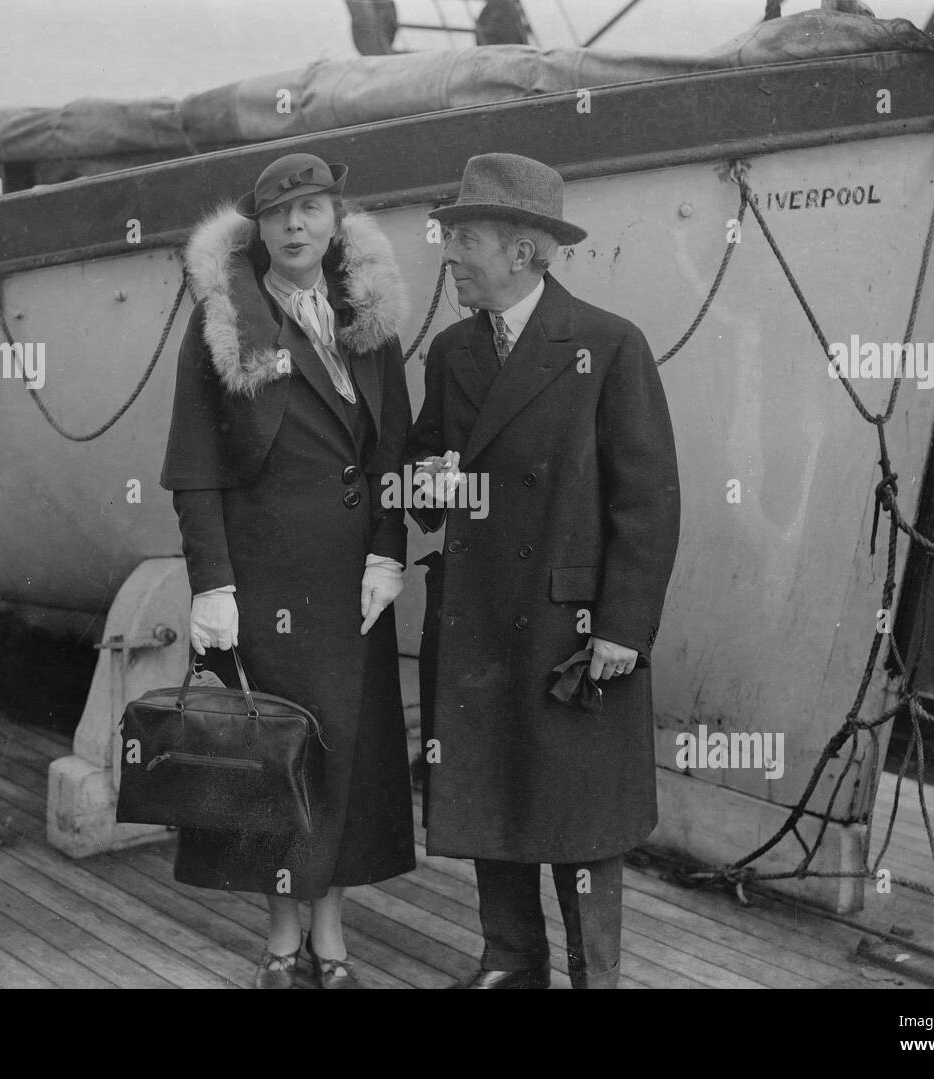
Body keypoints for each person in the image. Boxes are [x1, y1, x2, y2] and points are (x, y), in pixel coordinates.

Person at [407, 153, 680, 989]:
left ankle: (594, 976)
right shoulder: (452, 352)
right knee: (491, 788)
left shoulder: (608, 345)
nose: (448, 254)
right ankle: (512, 962)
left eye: (464, 239)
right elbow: (420, 475)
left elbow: (649, 501)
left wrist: (624, 628)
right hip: (478, 615)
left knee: (580, 816)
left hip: (574, 629)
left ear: (524, 251)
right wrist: (427, 481)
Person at [160, 152, 415, 989]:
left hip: (352, 592)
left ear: (336, 219)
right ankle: (279, 940)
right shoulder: (225, 323)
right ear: (258, 228)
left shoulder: (367, 321)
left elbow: (392, 451)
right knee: (277, 762)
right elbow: (194, 467)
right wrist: (212, 585)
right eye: (279, 213)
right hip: (266, 585)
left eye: (311, 208)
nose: (296, 225)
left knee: (342, 760)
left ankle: (331, 936)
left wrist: (388, 550)